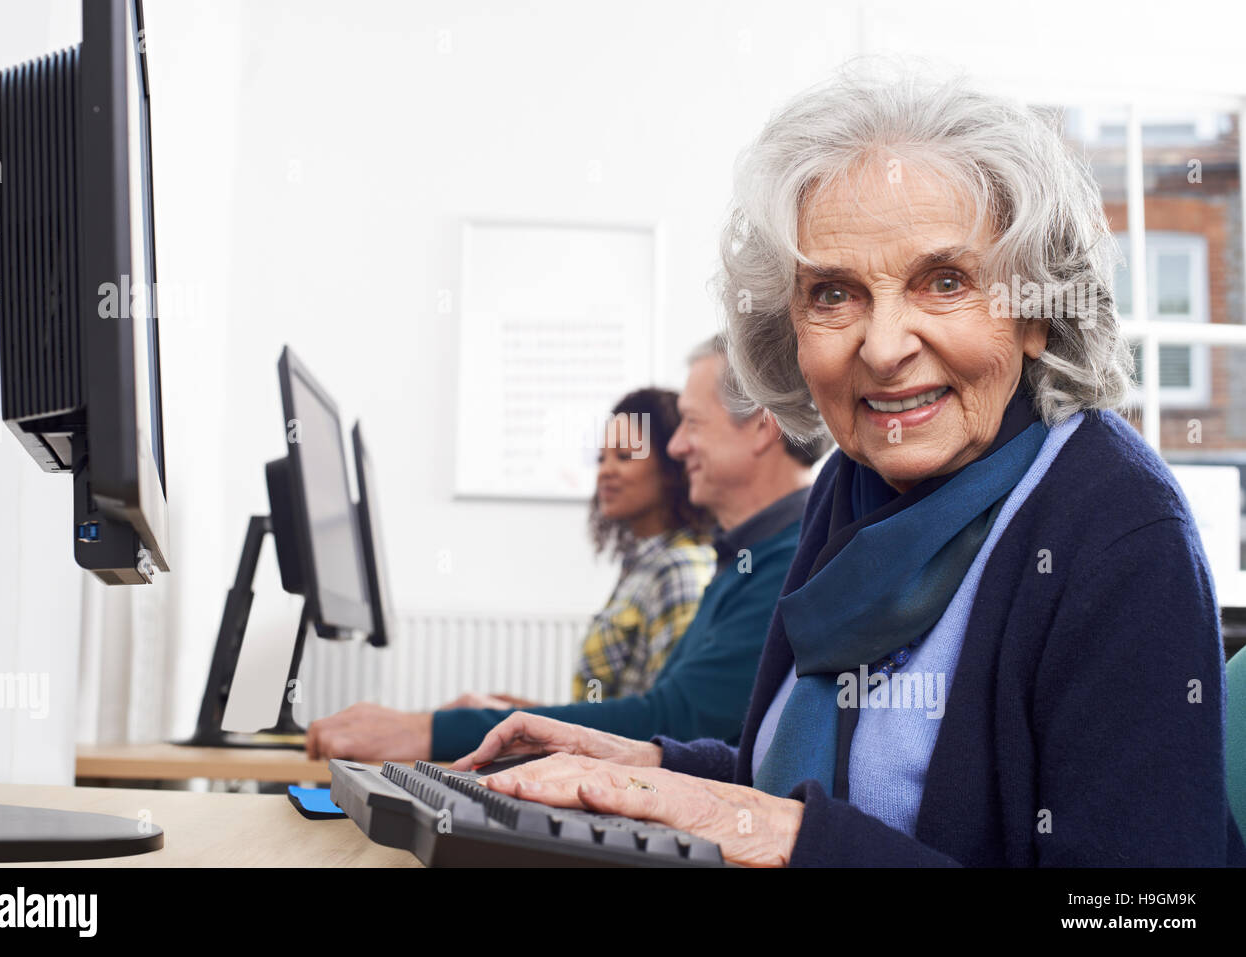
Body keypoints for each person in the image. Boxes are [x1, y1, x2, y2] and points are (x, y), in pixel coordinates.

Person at [457, 65, 1246, 867]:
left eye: (945, 282)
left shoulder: (1117, 530)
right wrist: (656, 768)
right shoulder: (854, 481)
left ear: (1035, 312)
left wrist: (785, 837)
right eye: (833, 294)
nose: (883, 346)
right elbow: (806, 787)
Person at [305, 339, 824, 762]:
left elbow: (674, 720)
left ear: (761, 424)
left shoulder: (787, 559)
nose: (675, 445)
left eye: (692, 423)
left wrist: (431, 731)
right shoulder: (741, 558)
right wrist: (518, 721)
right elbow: (666, 716)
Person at [440, 387, 715, 712]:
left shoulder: (678, 569)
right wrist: (516, 712)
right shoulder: (642, 564)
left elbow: (659, 722)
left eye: (624, 456)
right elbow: (614, 714)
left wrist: (521, 719)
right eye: (601, 458)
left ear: (672, 469)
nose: (605, 470)